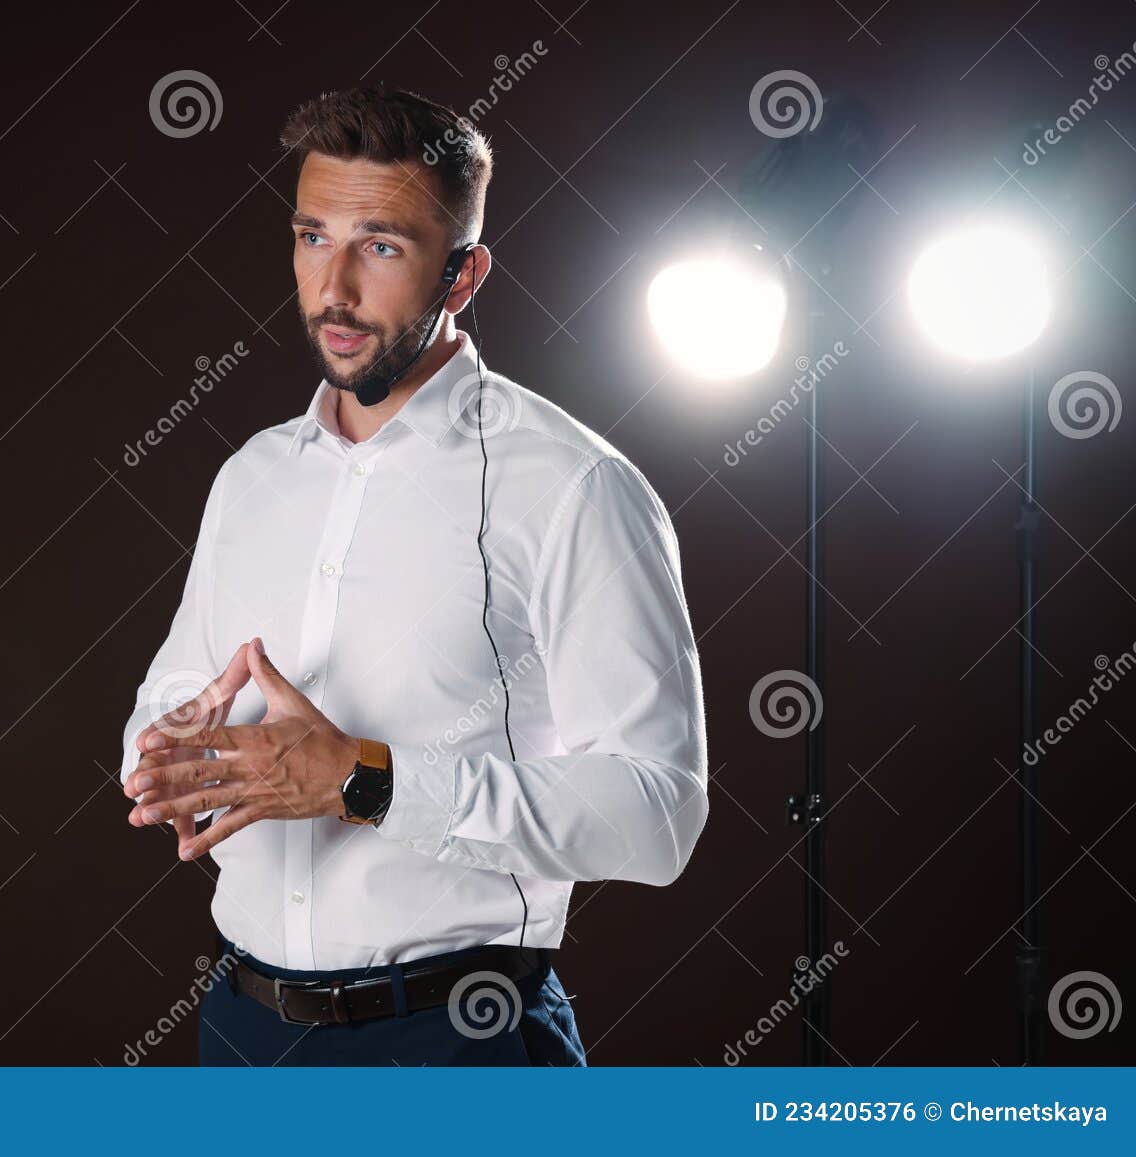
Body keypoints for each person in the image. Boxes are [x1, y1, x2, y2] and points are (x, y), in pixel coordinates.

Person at [118, 84, 708, 1066]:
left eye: (381, 246)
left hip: (456, 1041)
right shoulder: (252, 476)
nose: (333, 288)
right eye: (313, 237)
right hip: (241, 1030)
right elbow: (177, 684)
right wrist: (168, 747)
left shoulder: (571, 486)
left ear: (462, 274)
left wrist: (363, 779)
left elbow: (654, 814)